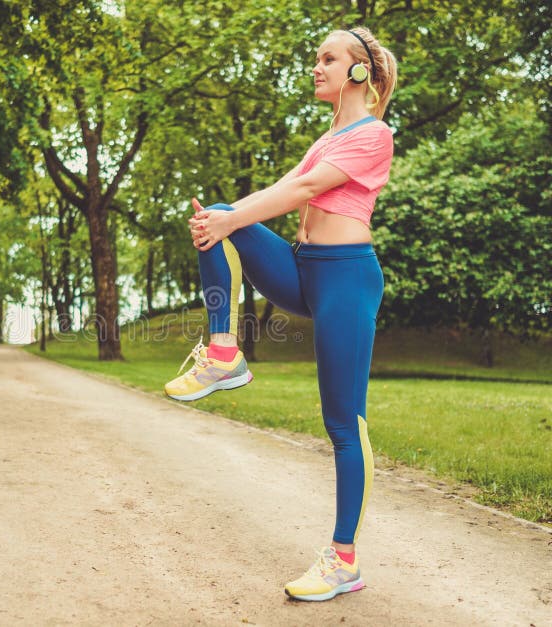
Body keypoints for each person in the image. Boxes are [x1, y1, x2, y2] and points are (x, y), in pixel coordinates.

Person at [164, 27, 398, 602]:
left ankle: (343, 559)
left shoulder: (374, 134)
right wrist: (227, 218)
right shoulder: (327, 136)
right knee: (218, 218)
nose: (316, 67)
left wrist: (232, 218)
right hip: (304, 268)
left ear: (359, 73)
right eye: (316, 58)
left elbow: (308, 189)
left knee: (344, 423)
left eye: (328, 59)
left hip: (346, 278)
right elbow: (287, 185)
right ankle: (223, 353)